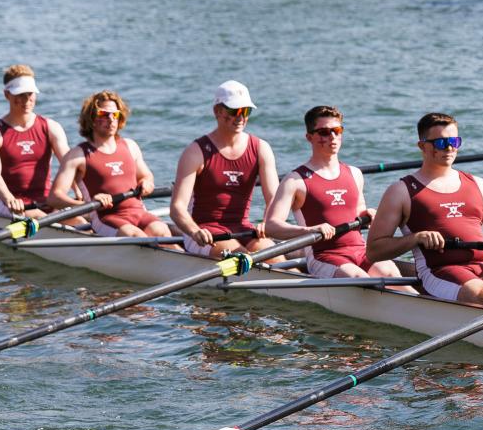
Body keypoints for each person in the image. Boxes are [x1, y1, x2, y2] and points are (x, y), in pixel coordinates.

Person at [366, 113, 483, 306]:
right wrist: (416, 238)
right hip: (439, 271)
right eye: (442, 143)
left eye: (454, 141)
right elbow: (374, 251)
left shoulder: (480, 185)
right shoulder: (401, 191)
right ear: (422, 146)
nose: (450, 148)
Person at [264, 106, 407, 282]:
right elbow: (271, 226)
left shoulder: (354, 173)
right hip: (323, 255)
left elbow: (358, 210)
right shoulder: (295, 181)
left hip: (360, 249)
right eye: (324, 132)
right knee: (360, 279)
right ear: (309, 137)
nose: (332, 136)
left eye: (337, 131)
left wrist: (367, 213)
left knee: (391, 275)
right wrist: (309, 230)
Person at [168, 81, 280, 259]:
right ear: (217, 111)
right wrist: (195, 231)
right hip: (203, 232)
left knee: (272, 253)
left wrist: (266, 222)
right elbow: (176, 208)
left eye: (246, 111)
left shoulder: (261, 148)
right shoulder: (195, 152)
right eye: (234, 111)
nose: (241, 117)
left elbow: (274, 200)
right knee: (241, 256)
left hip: (243, 229)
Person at [49, 90, 168, 241]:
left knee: (161, 230)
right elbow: (54, 198)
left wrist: (147, 183)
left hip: (138, 211)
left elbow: (146, 175)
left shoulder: (130, 146)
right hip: (106, 217)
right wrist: (88, 204)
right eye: (104, 115)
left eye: (115, 115)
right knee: (135, 236)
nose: (111, 119)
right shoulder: (78, 155)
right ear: (92, 119)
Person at [0, 65, 73, 220]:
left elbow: (70, 165)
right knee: (39, 216)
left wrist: (80, 191)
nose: (27, 99)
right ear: (7, 94)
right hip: (12, 204)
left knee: (80, 221)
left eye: (30, 94)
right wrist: (10, 199)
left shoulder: (51, 127)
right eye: (20, 94)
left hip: (46, 202)